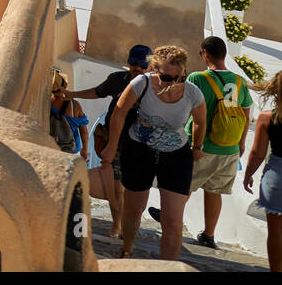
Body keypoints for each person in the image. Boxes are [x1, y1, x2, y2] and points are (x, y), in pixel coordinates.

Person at [100, 45, 207, 260]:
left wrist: (197, 146)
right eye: (166, 77)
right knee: (134, 209)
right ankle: (127, 250)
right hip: (139, 150)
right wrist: (111, 147)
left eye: (179, 77)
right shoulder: (142, 83)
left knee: (173, 221)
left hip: (176, 154)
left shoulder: (193, 92)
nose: (173, 83)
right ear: (154, 70)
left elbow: (201, 121)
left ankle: (167, 266)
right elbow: (119, 113)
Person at [65, 45, 152, 236]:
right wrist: (72, 95)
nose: (137, 68)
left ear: (149, 66)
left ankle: (129, 226)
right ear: (129, 63)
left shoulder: (153, 87)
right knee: (117, 187)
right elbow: (98, 92)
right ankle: (118, 226)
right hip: (116, 141)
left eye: (142, 65)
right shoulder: (117, 80)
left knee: (132, 190)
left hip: (140, 146)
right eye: (134, 64)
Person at [183, 36, 253, 249]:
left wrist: (194, 145)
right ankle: (209, 235)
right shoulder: (240, 81)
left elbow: (184, 108)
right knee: (214, 192)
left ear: (205, 53)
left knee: (182, 186)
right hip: (229, 148)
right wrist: (241, 144)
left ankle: (168, 218)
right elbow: (246, 112)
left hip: (201, 145)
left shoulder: (198, 78)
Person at [242, 70, 282, 272]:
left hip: (276, 176)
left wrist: (248, 174)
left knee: (275, 233)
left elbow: (257, 153)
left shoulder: (267, 118)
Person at [49, 69, 89, 157]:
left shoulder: (47, 103)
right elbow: (83, 131)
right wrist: (85, 149)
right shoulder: (74, 105)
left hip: (53, 146)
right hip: (71, 148)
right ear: (65, 87)